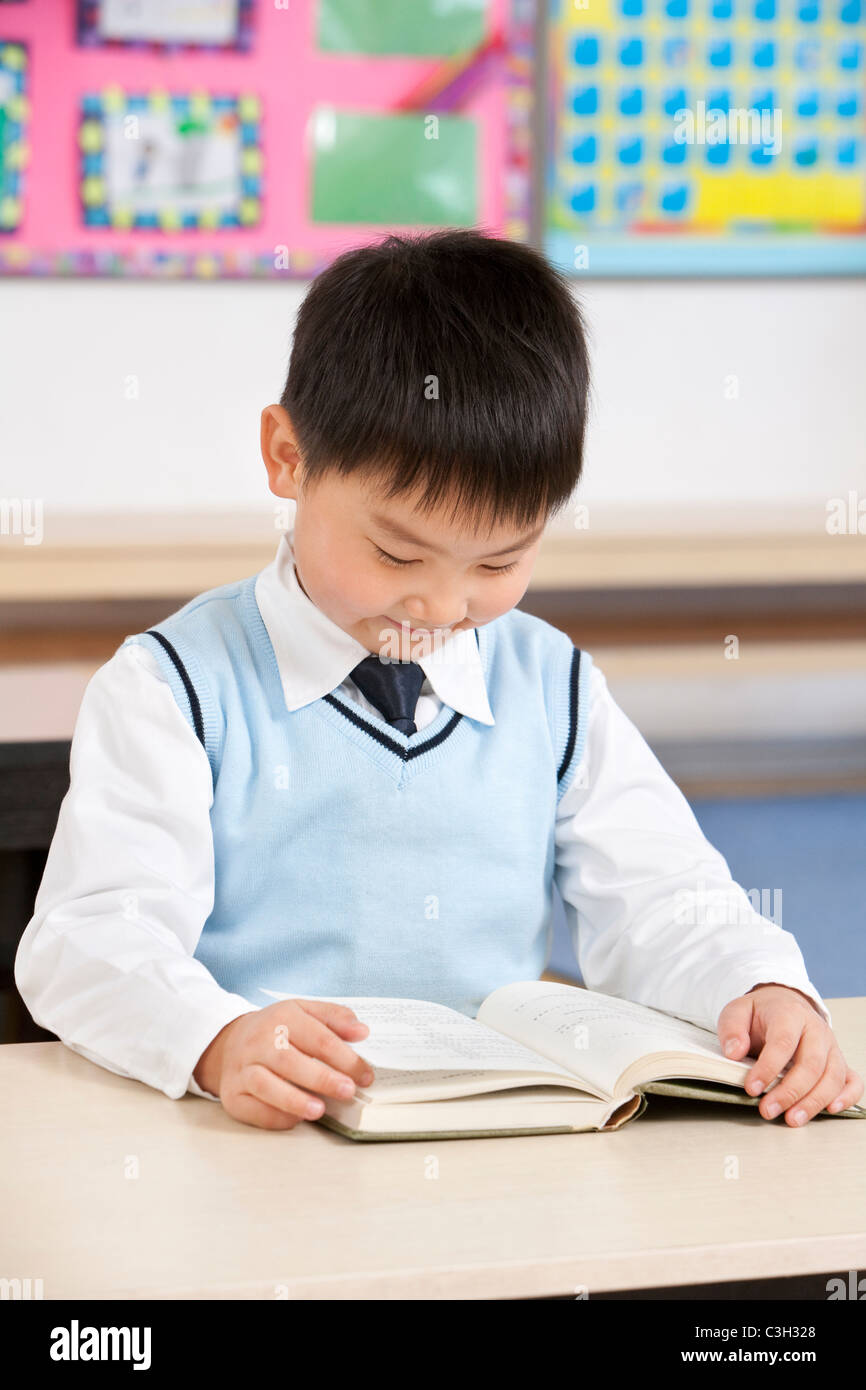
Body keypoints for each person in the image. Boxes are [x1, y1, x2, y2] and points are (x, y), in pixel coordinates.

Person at [16, 228, 863, 1132]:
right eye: (398, 552)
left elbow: (661, 896)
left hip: (501, 1132)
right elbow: (89, 940)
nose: (443, 604)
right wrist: (216, 1039)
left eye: (499, 564)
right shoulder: (175, 688)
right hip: (260, 1139)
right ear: (288, 458)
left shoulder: (553, 684)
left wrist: (758, 983)